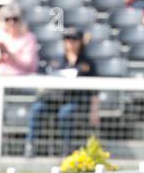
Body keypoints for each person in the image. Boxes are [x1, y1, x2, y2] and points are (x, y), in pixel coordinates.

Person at [25, 28, 97, 159]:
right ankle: (30, 145)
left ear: (80, 42)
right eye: (67, 40)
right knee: (37, 108)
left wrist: (94, 111)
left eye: (74, 40)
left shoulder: (87, 63)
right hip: (54, 99)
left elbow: (95, 90)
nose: (70, 43)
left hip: (75, 101)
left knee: (66, 112)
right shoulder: (56, 61)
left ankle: (66, 147)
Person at [0, 0, 39, 76]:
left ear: (20, 20)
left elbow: (29, 66)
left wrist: (10, 55)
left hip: (19, 81)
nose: (11, 22)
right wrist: (0, 57)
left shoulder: (29, 38)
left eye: (15, 19)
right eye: (7, 19)